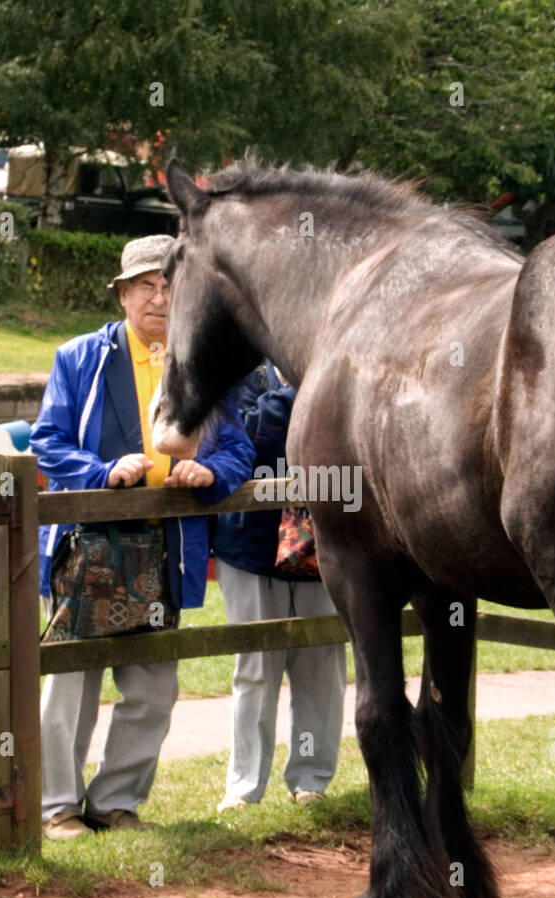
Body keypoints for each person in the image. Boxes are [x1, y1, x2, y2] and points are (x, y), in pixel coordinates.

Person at [31, 234, 254, 839]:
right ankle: (56, 807)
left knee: (154, 689)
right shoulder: (80, 358)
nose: (159, 298)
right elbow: (46, 443)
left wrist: (212, 472)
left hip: (166, 550)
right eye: (146, 287)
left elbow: (238, 446)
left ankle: (115, 802)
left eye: (169, 287)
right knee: (69, 685)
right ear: (124, 294)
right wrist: (102, 473)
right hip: (86, 548)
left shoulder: (201, 364)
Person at [210, 359, 346, 812]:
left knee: (321, 670)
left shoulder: (337, 369)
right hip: (249, 548)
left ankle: (310, 780)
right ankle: (244, 788)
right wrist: (292, 390)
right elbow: (244, 439)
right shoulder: (240, 376)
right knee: (255, 670)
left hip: (325, 549)